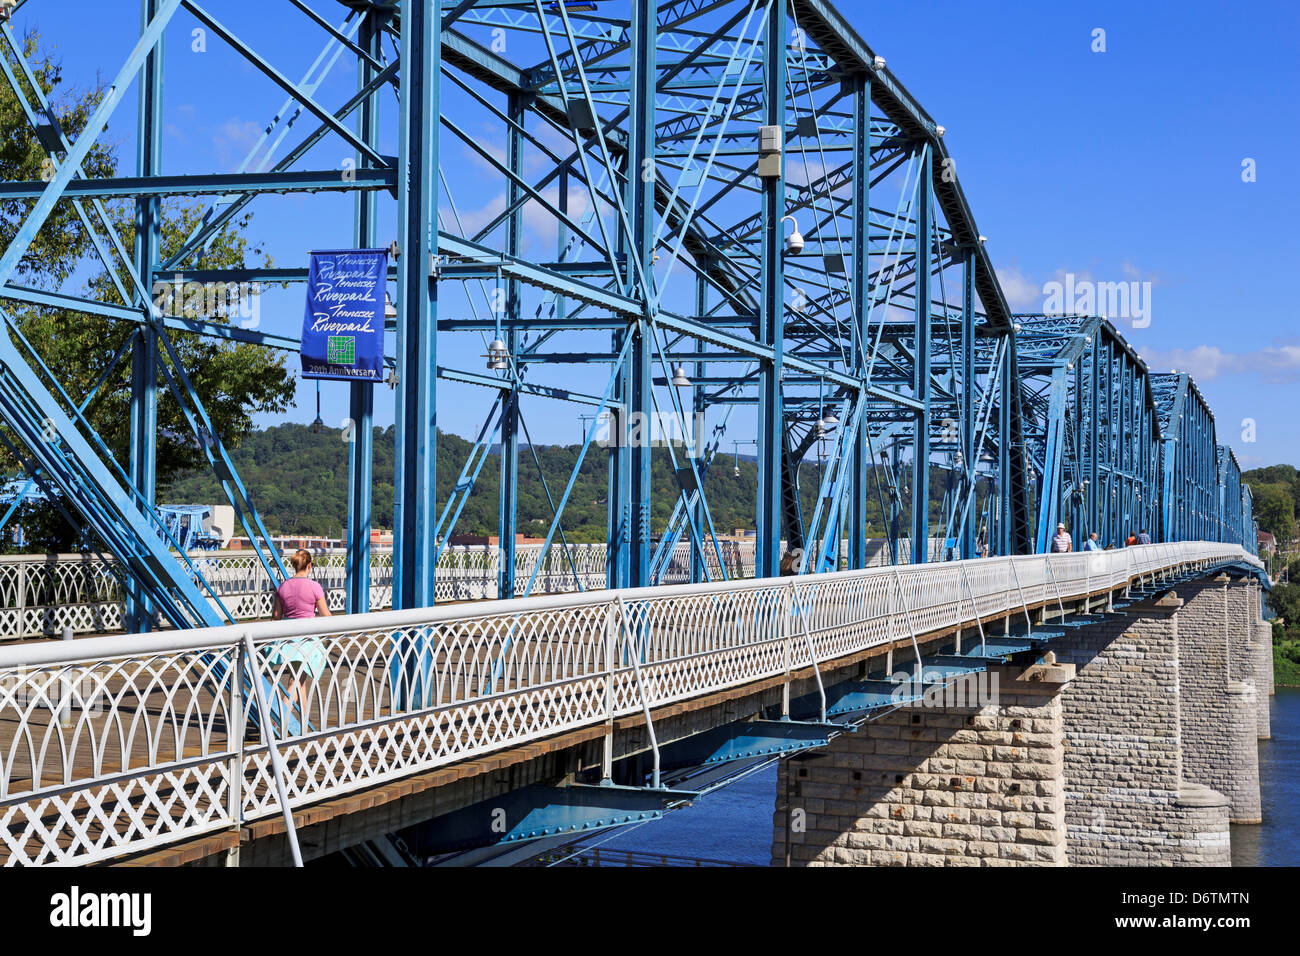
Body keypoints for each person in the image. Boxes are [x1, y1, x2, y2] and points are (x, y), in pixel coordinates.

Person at [270, 550, 331, 722]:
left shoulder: (282, 587)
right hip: (307, 641)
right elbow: (325, 614)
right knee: (295, 682)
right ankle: (276, 718)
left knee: (298, 680)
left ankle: (305, 720)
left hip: (288, 639)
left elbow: (276, 617)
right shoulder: (314, 587)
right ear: (309, 566)